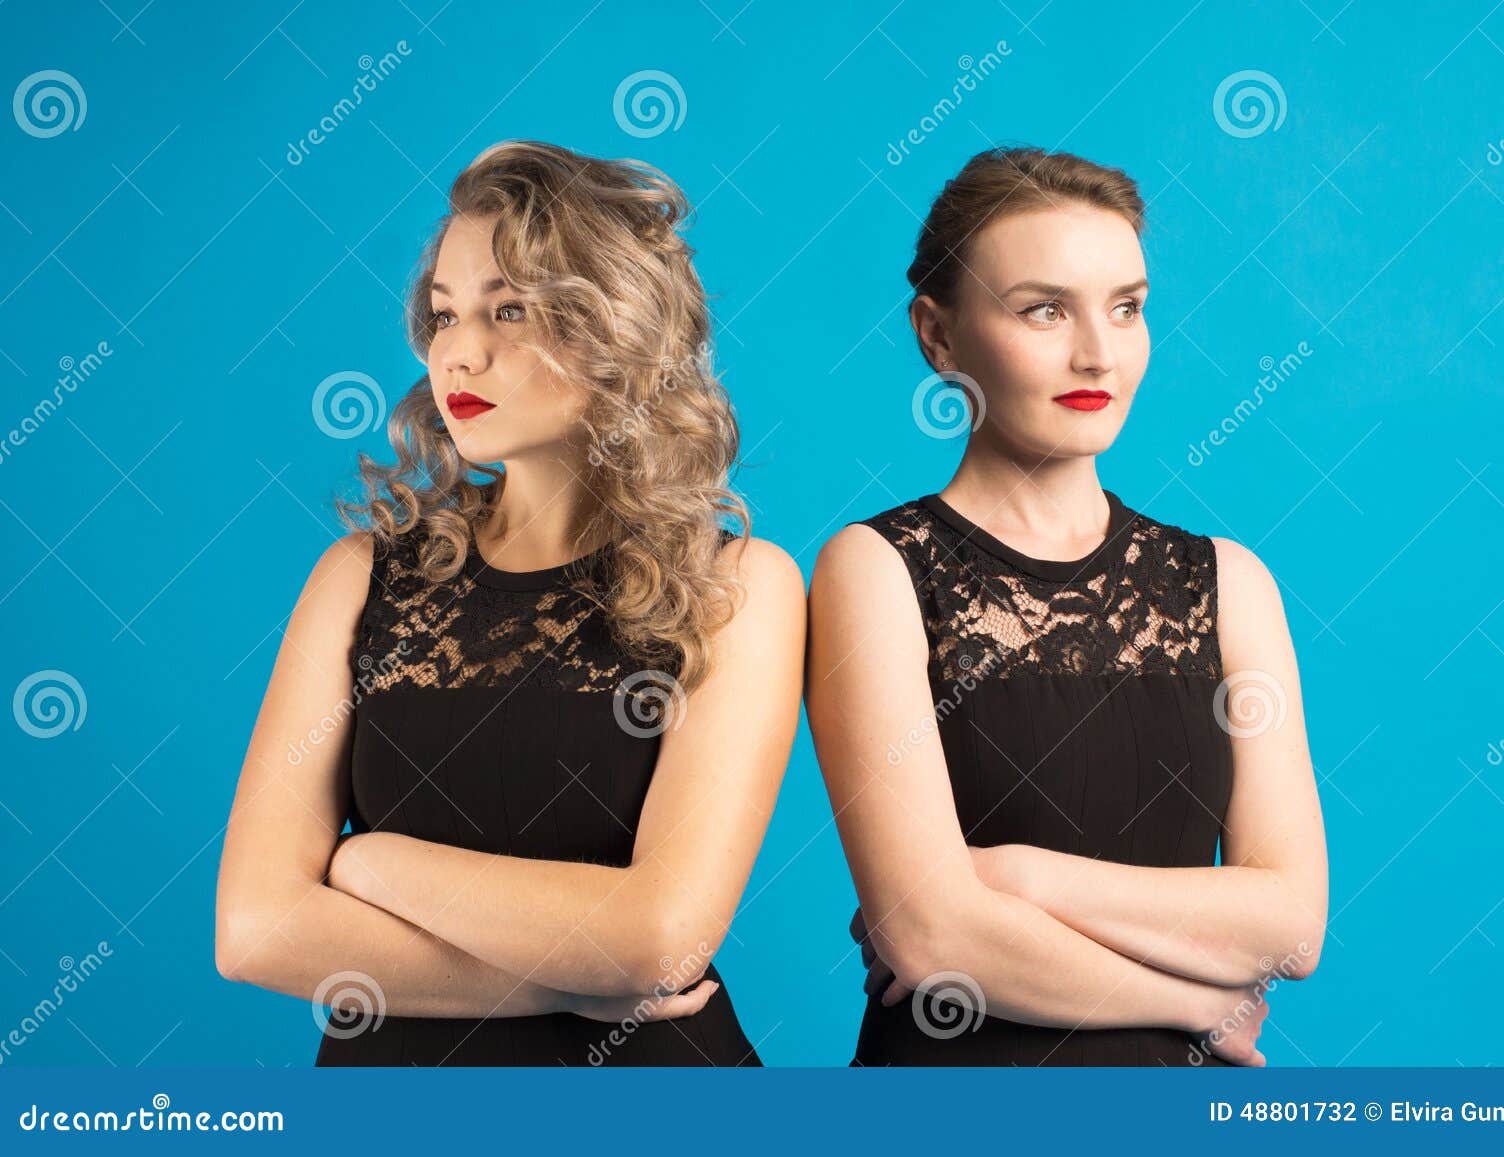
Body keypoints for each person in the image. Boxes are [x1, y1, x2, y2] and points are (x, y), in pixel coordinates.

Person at [215, 140, 804, 1066]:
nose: (459, 351)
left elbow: (661, 940)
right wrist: (576, 979)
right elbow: (254, 930)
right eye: (446, 313)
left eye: (511, 309)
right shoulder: (360, 576)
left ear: (619, 325)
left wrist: (369, 862)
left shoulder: (738, 584)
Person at [806, 146, 1328, 1066]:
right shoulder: (875, 569)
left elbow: (1292, 926)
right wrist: (1196, 1002)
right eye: (1044, 309)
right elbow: (931, 936)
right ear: (939, 336)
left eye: (1126, 307)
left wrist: (1012, 874)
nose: (1098, 352)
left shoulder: (1227, 582)